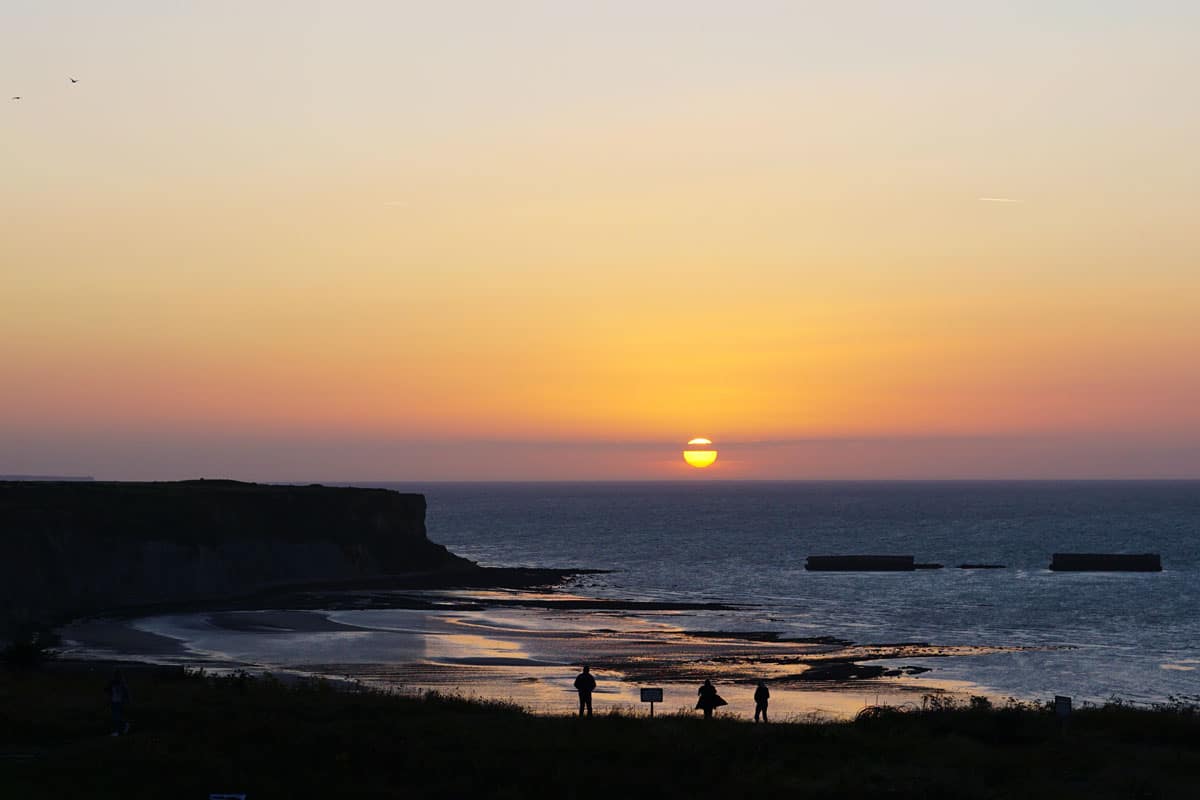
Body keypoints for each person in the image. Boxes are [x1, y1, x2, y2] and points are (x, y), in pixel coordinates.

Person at [105, 669, 131, 736]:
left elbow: (126, 693)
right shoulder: (114, 683)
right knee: (116, 716)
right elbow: (107, 691)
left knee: (116, 717)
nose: (116, 677)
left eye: (117, 675)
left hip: (118, 702)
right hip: (115, 702)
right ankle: (123, 726)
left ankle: (118, 730)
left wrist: (127, 700)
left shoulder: (121, 684)